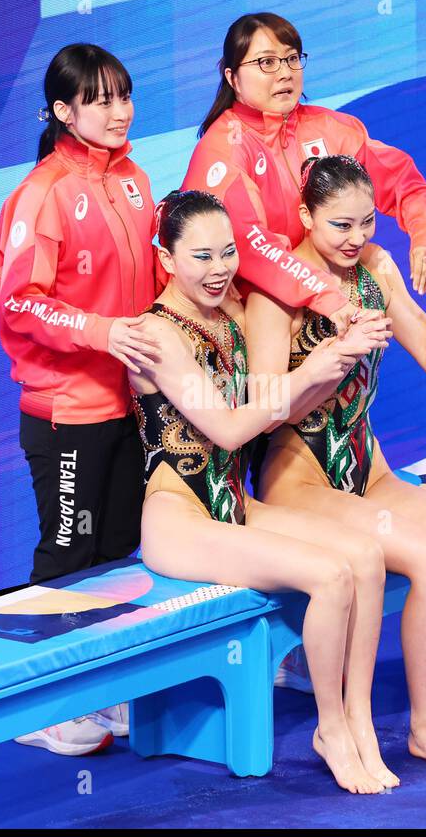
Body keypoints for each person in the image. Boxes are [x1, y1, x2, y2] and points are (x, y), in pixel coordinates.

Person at [182, 10, 426, 689]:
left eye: (291, 58)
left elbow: (404, 184)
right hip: (243, 342)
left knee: (316, 471)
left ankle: (310, 642)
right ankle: (178, 677)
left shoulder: (333, 131)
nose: (282, 72)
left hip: (308, 332)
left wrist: (423, 235)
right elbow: (258, 247)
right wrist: (336, 304)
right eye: (265, 62)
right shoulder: (223, 147)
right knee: (233, 486)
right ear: (231, 75)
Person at [128, 189, 400, 792]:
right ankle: (330, 726)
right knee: (329, 577)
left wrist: (332, 360)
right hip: (181, 519)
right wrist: (309, 374)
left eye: (228, 252)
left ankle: (360, 718)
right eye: (200, 256)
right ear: (166, 258)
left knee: (366, 557)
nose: (219, 267)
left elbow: (270, 414)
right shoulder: (155, 335)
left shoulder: (233, 316)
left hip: (235, 506)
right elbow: (226, 427)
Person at [245, 154, 426, 773]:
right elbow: (265, 411)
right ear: (305, 217)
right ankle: (410, 722)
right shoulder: (278, 292)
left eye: (366, 223)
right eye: (339, 225)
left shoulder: (377, 270)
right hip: (298, 475)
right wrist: (333, 356)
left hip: (368, 468)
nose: (356, 238)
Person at [0, 43, 161, 755]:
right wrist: (104, 331)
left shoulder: (134, 180)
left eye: (122, 95)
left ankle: (104, 691)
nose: (117, 112)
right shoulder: (42, 192)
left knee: (120, 554)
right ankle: (39, 706)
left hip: (131, 405)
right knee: (68, 555)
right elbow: (21, 306)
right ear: (63, 111)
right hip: (67, 411)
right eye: (98, 99)